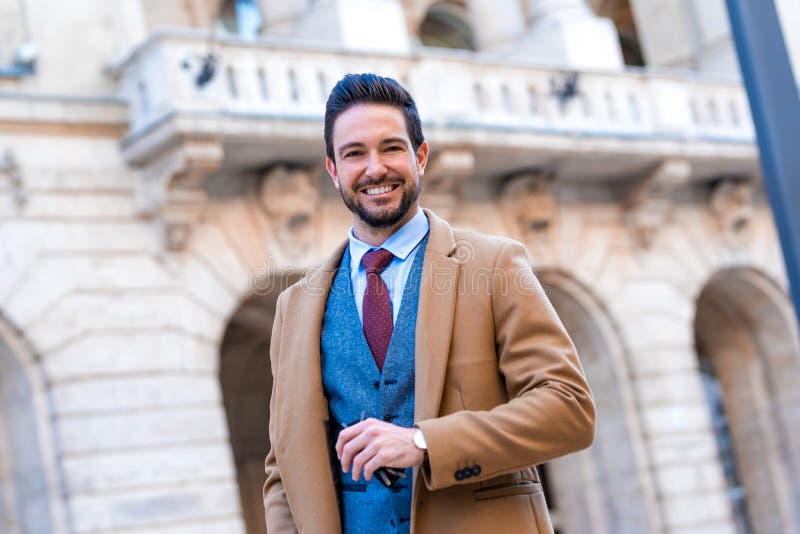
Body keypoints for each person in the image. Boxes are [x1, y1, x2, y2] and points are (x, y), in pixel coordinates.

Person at [263, 73, 595, 534]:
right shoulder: (293, 308)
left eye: (391, 147)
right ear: (333, 170)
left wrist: (424, 442)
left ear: (420, 156)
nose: (374, 168)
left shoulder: (493, 263)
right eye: (354, 153)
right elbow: (283, 471)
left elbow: (569, 408)